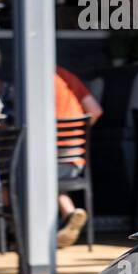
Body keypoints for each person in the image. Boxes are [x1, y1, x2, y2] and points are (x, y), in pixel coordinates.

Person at [54, 70, 90, 248]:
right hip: (76, 159)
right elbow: (95, 110)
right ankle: (69, 213)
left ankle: (20, 235)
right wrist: (82, 134)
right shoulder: (67, 76)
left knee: (27, 175)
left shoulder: (32, 81)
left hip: (52, 162)